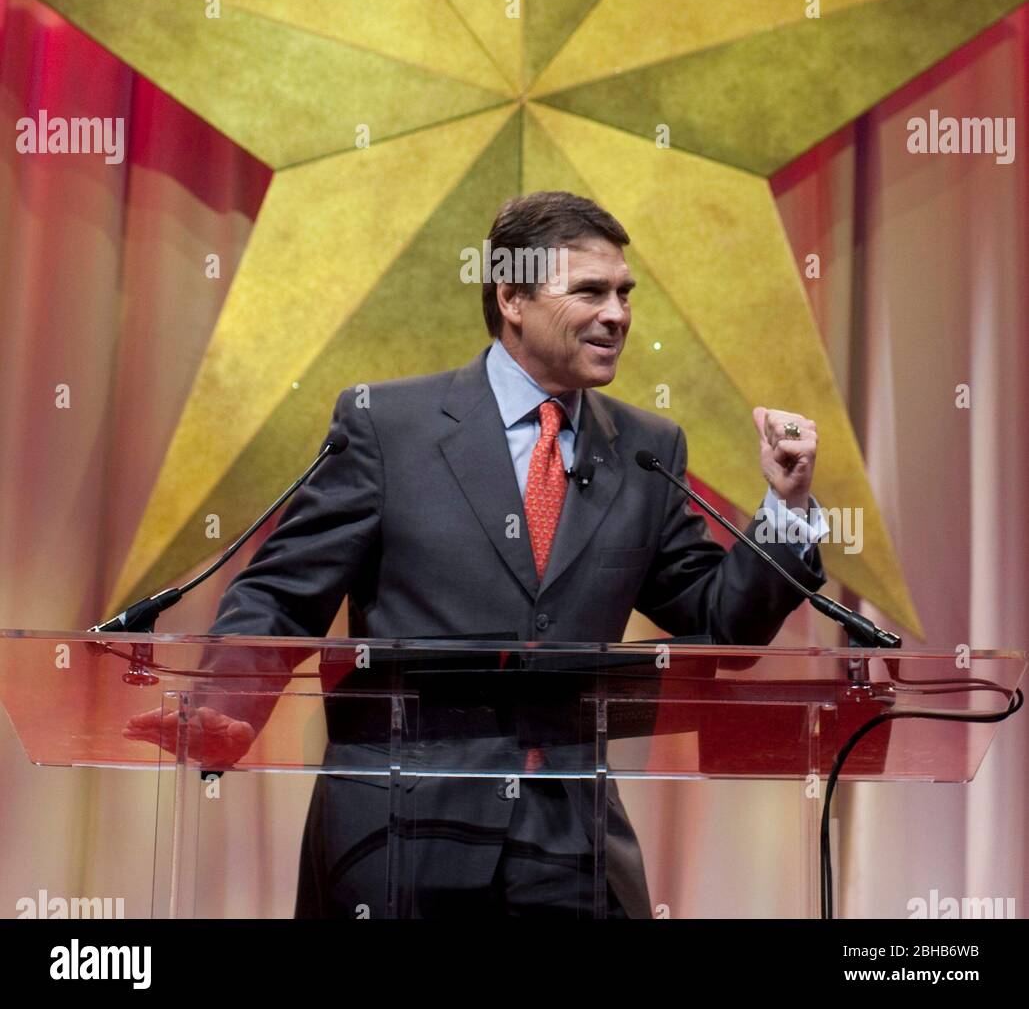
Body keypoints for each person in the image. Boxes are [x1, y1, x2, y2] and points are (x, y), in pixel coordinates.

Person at [128, 190, 828, 918]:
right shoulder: (387, 427)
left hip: (569, 846)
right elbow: (282, 594)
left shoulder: (646, 450)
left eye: (624, 294)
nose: (617, 315)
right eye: (590, 291)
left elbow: (719, 625)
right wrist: (221, 707)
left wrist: (785, 508)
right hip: (401, 832)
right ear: (512, 298)